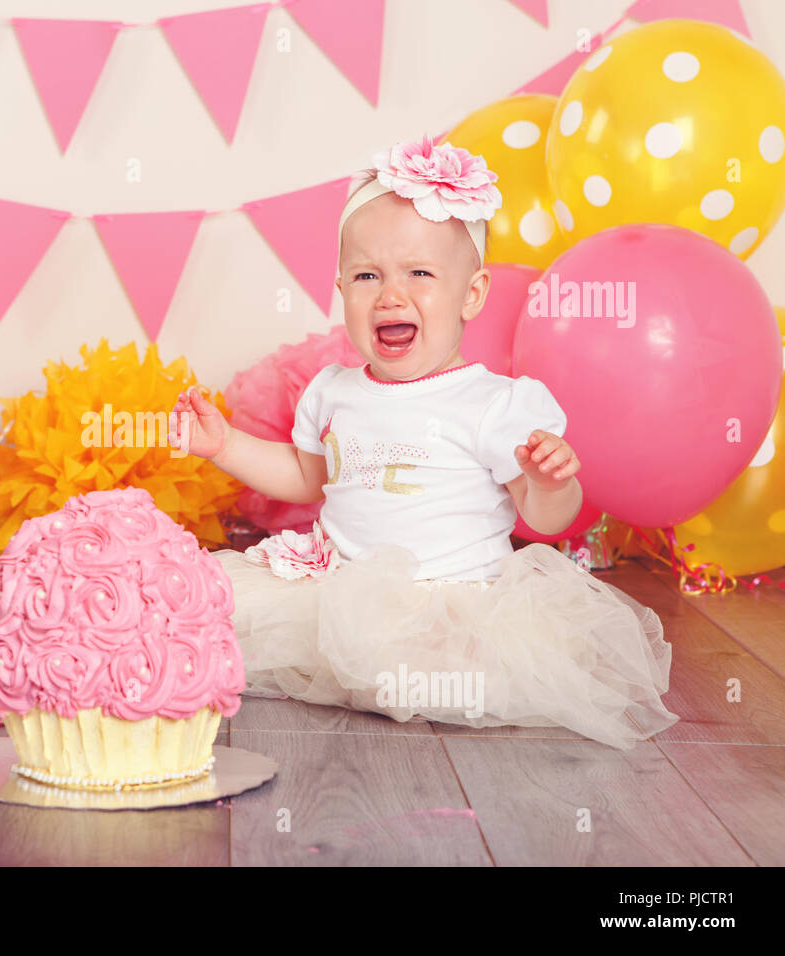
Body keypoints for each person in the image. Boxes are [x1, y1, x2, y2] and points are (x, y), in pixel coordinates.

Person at [168, 134, 678, 749]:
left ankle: (407, 673)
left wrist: (552, 482)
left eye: (419, 273)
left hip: (450, 603)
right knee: (217, 616)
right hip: (339, 588)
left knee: (443, 671)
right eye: (366, 275)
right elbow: (306, 478)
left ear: (472, 294)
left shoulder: (491, 403)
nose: (390, 294)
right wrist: (224, 445)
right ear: (341, 290)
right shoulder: (334, 390)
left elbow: (545, 519)